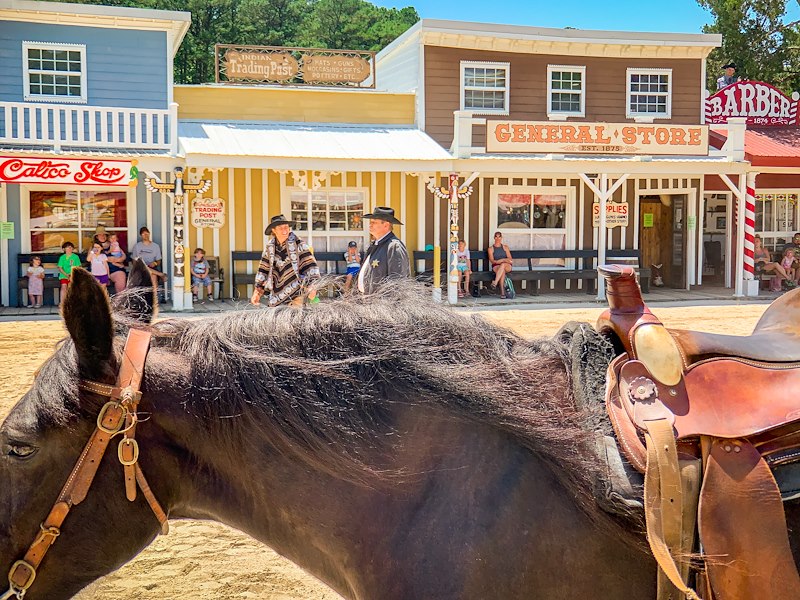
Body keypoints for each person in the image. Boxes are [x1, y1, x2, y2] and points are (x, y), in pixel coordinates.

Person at [251, 214, 320, 307]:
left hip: (297, 291)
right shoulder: (270, 247)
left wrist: (313, 286)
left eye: (286, 227)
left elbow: (310, 265)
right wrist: (257, 291)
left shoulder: (299, 244)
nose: (285, 230)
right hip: (276, 294)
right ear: (274, 230)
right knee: (276, 319)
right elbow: (263, 269)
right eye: (280, 228)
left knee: (296, 319)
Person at [357, 206, 410, 294]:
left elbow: (397, 282)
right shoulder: (374, 245)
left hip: (383, 304)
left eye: (374, 222)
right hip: (370, 301)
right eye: (371, 222)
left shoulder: (394, 247)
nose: (370, 224)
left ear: (386, 225)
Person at [488, 231, 513, 299]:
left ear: (501, 238)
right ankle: (502, 293)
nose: (498, 238)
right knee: (502, 271)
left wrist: (502, 261)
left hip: (507, 265)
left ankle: (495, 283)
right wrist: (502, 260)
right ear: (494, 238)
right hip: (496, 266)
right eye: (496, 236)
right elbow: (492, 261)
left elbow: (510, 258)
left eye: (499, 237)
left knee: (503, 265)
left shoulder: (505, 247)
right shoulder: (491, 249)